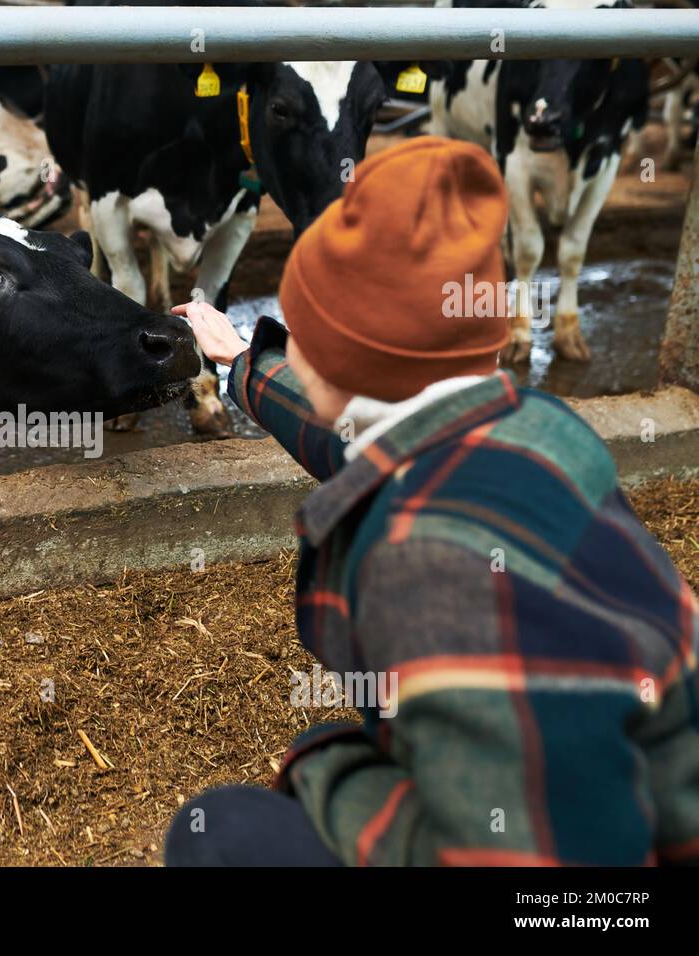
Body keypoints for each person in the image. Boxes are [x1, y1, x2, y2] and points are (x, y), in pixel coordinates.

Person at [163, 136, 699, 867]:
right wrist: (239, 365)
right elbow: (357, 427)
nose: (298, 349)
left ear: (333, 357)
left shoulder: (429, 564)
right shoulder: (531, 427)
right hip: (658, 785)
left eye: (305, 331)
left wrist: (330, 771)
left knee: (222, 833)